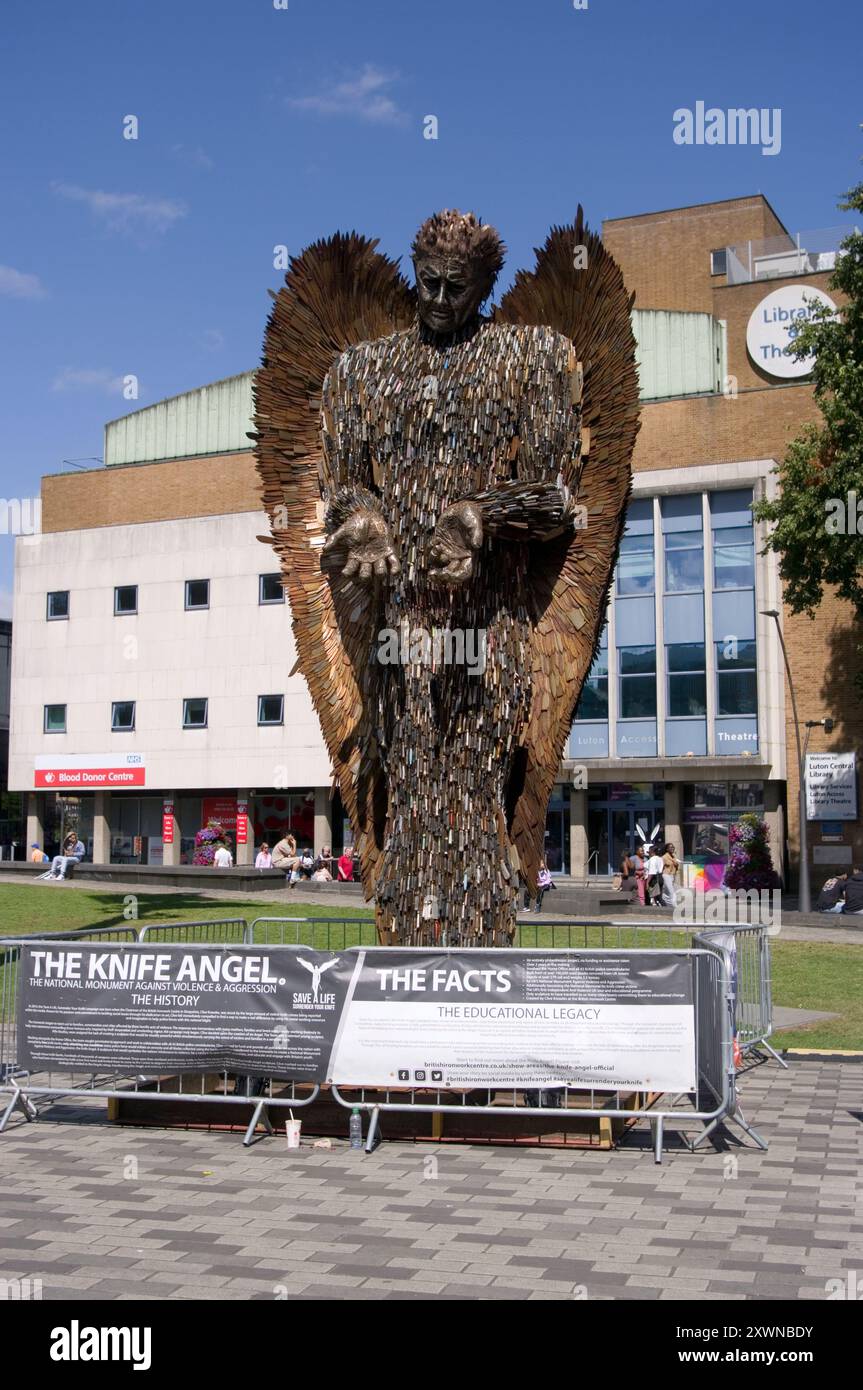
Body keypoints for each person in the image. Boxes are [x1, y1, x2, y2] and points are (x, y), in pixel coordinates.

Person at [661, 842, 680, 908]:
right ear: (667, 849)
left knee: (666, 893)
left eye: (673, 847)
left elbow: (676, 866)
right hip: (666, 875)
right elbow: (661, 867)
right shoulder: (664, 857)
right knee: (672, 892)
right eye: (670, 847)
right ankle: (675, 906)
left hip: (672, 876)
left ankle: (665, 904)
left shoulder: (674, 857)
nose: (672, 848)